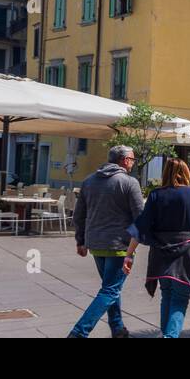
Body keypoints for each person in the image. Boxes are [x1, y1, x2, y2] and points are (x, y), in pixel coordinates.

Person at [130, 158, 190, 338]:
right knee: (180, 298)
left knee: (167, 294)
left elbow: (141, 225)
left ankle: (166, 334)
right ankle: (170, 335)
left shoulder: (156, 195)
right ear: (186, 173)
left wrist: (128, 255)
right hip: (185, 254)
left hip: (160, 253)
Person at [69, 145, 145, 338]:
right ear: (125, 160)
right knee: (110, 290)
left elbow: (79, 215)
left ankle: (118, 328)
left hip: (95, 244)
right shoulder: (129, 182)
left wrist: (80, 241)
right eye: (132, 160)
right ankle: (79, 333)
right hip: (119, 245)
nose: (133, 163)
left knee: (111, 287)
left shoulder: (89, 181)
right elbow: (140, 217)